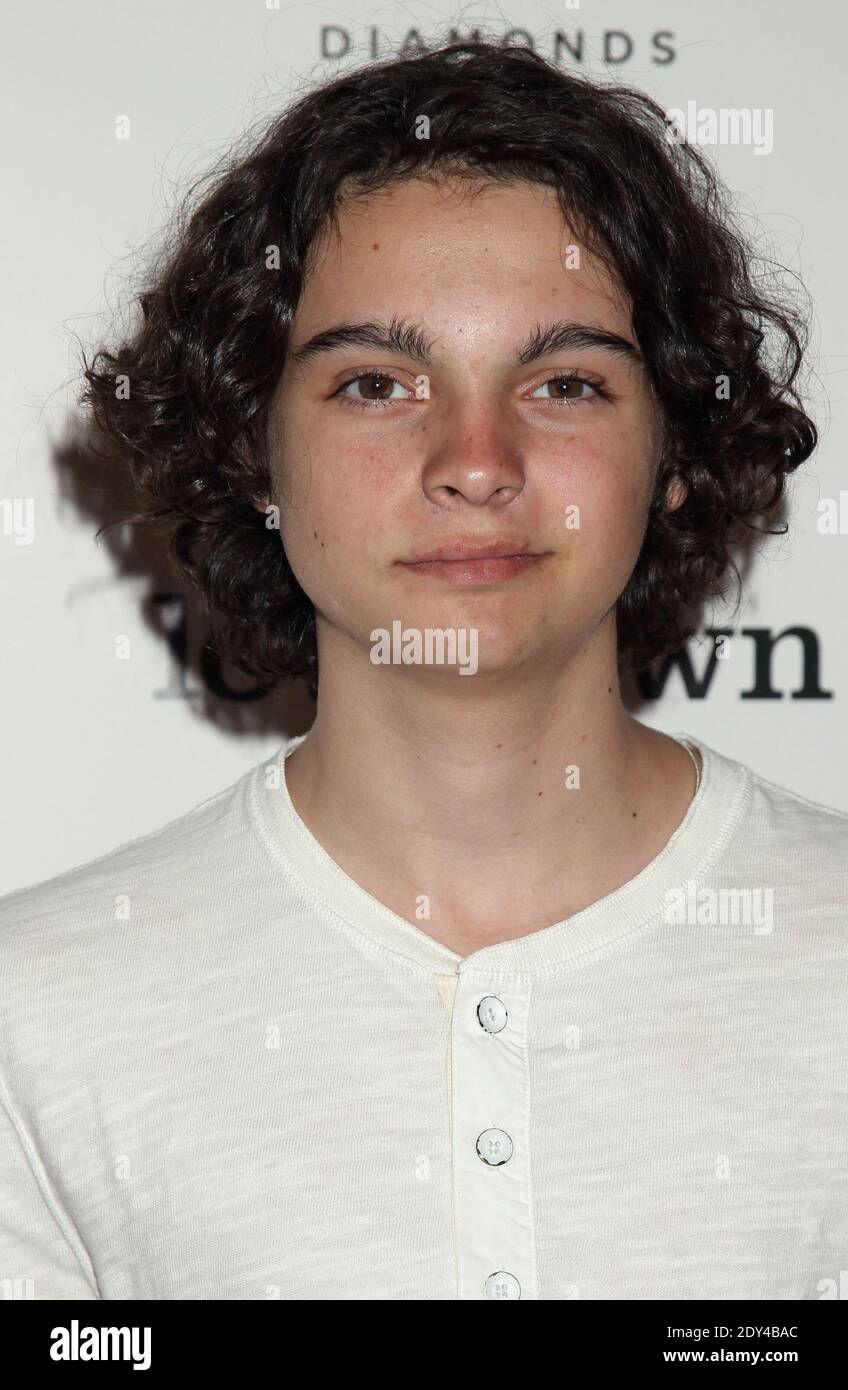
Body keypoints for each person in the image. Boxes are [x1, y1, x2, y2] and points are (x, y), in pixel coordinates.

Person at [1, 38, 845, 1302]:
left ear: (670, 451)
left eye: (564, 381)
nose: (474, 458)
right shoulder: (33, 1019)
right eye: (376, 382)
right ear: (252, 453)